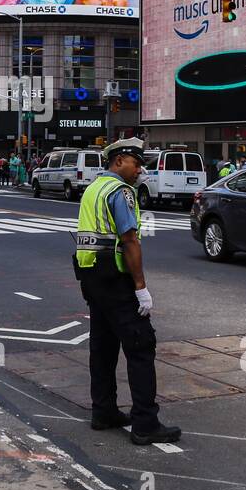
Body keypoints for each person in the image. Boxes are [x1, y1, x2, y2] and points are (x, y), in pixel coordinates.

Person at [73, 138, 180, 445]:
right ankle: (146, 422)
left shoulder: (93, 188)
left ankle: (103, 411)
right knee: (140, 344)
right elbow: (130, 240)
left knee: (103, 347)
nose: (140, 170)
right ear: (119, 161)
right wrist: (141, 287)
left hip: (91, 277)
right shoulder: (120, 192)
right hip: (115, 279)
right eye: (137, 163)